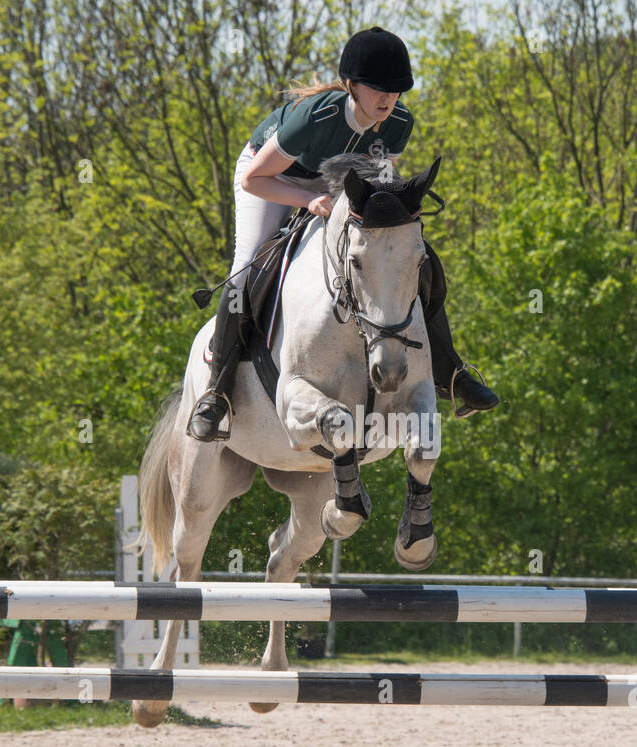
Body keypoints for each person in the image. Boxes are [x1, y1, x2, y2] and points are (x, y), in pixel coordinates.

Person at [188, 25, 499, 442]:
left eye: (396, 91)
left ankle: (452, 373)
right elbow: (255, 180)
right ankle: (217, 391)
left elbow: (378, 184)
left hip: (335, 189)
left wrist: (401, 208)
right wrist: (308, 201)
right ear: (351, 86)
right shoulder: (314, 118)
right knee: (245, 267)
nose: (388, 100)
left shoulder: (399, 123)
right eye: (378, 90)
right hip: (272, 179)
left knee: (413, 259)